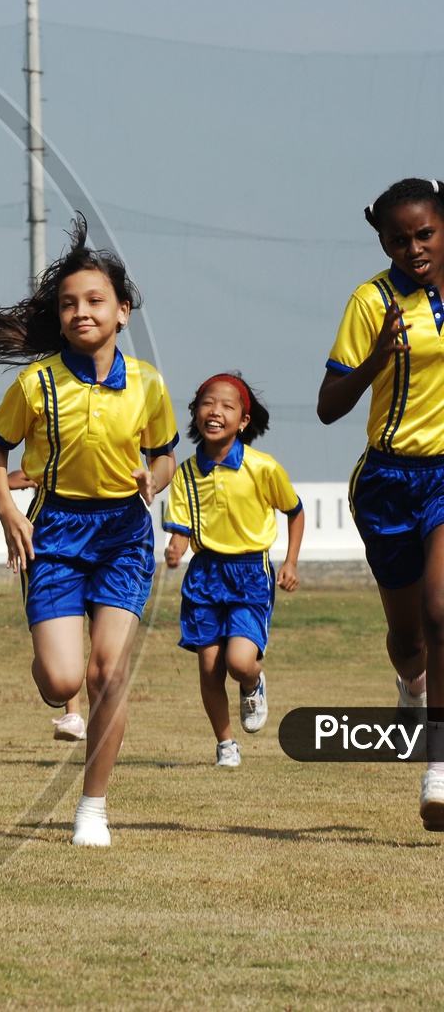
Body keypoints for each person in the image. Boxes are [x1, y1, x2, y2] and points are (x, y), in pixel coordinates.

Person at [0, 215, 178, 847]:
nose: (81, 312)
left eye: (95, 301)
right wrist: (9, 512)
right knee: (64, 682)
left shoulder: (147, 383)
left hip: (122, 534)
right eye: (69, 304)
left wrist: (156, 477)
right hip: (55, 533)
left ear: (123, 312)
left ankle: (92, 807)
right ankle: (49, 674)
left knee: (108, 672)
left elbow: (167, 452)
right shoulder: (34, 384)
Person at [318, 178, 444, 830]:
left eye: (425, 233)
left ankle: (439, 767)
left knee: (441, 608)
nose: (414, 247)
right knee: (407, 635)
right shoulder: (373, 300)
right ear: (383, 240)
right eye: (399, 238)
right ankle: (411, 689)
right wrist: (375, 360)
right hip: (388, 480)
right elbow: (328, 405)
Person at [163, 374, 303, 767]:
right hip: (205, 575)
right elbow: (181, 531)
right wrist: (175, 550)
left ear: (243, 420)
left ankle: (253, 682)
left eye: (227, 406)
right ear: (196, 414)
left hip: (250, 574)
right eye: (208, 403)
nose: (216, 411)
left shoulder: (263, 468)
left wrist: (290, 562)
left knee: (239, 662)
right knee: (209, 667)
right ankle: (226, 744)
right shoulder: (186, 474)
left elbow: (294, 511)